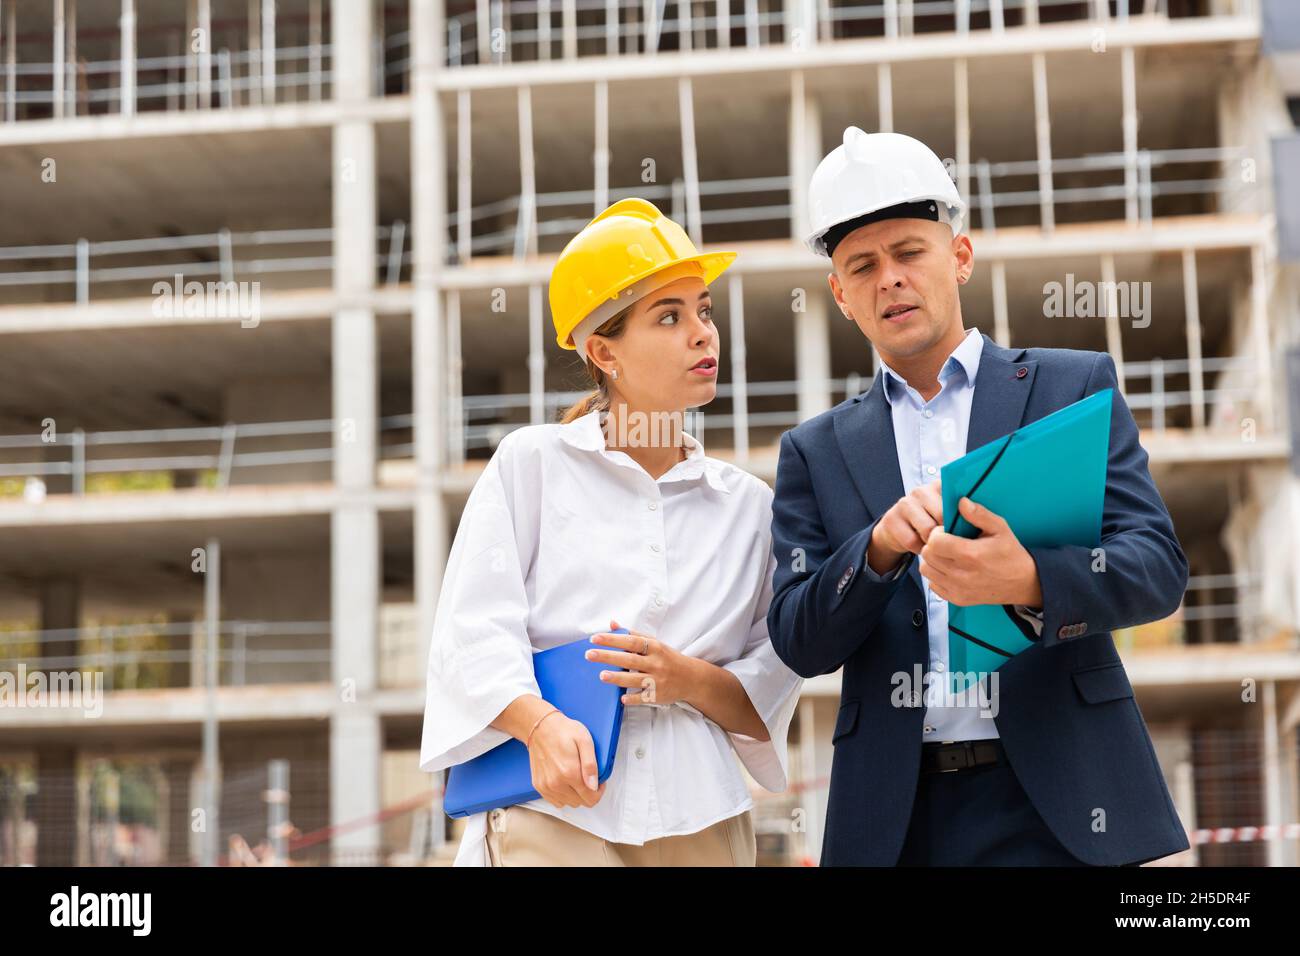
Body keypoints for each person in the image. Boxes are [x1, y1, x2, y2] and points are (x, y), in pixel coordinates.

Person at [767, 127, 1191, 866]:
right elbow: (798, 638)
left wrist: (1028, 580)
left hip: (1059, 804)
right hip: (897, 821)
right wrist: (872, 552)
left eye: (909, 253)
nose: (889, 279)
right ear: (839, 295)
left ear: (958, 257)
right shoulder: (814, 451)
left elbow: (1155, 568)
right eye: (861, 266)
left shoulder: (1072, 389)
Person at [420, 198, 804, 866]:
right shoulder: (530, 466)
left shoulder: (747, 508)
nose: (703, 334)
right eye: (670, 316)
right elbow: (471, 633)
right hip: (552, 810)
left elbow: (771, 684)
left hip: (700, 818)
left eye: (704, 311)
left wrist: (684, 678)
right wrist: (539, 726)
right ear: (604, 351)